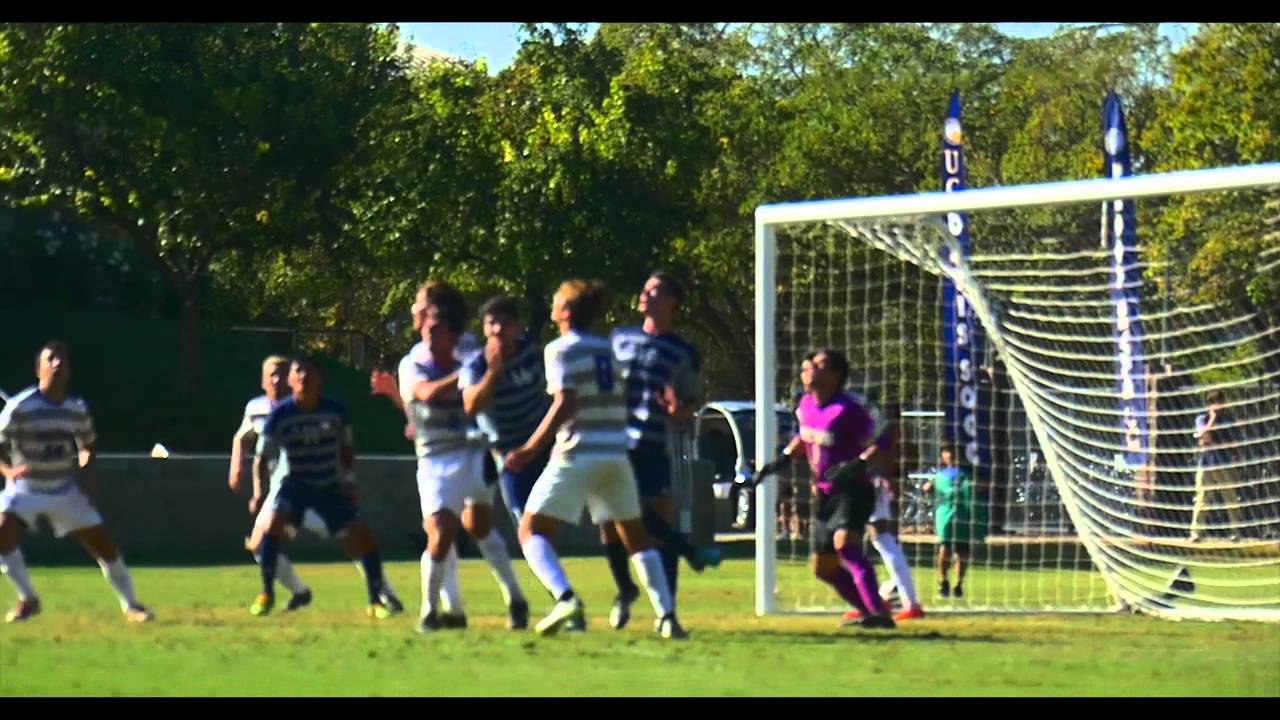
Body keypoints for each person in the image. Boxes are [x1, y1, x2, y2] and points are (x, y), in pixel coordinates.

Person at [506, 279, 685, 639]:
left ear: (566, 312)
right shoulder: (608, 349)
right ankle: (667, 617)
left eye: (556, 301)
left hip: (578, 451)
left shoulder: (559, 350)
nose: (551, 306)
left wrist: (531, 448)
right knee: (637, 539)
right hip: (616, 453)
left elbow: (566, 402)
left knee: (530, 530)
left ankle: (565, 597)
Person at [397, 281, 527, 633]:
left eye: (429, 314)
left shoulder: (470, 348)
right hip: (434, 456)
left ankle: (514, 598)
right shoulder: (413, 362)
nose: (422, 321)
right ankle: (431, 610)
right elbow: (423, 394)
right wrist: (468, 376)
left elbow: (496, 380)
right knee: (440, 531)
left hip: (473, 451)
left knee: (479, 526)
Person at [232, 355, 403, 613]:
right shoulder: (266, 411)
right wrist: (251, 483)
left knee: (354, 537)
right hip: (290, 487)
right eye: (274, 374)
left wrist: (349, 481)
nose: (282, 379)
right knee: (265, 537)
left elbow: (346, 449)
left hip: (326, 486)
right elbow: (252, 448)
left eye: (305, 371)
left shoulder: (333, 410)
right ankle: (278, 593)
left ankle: (381, 596)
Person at [0, 341, 154, 623]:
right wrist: (8, 472)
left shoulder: (76, 409)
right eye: (51, 358)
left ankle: (131, 605)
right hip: (26, 488)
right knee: (1, 531)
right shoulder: (18, 407)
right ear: (39, 370)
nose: (58, 363)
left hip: (64, 488)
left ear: (69, 370)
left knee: (103, 545)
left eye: (63, 359)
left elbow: (87, 445)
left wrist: (86, 470)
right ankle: (28, 599)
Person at [606, 271, 720, 630]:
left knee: (656, 526)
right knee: (611, 528)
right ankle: (625, 590)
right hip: (612, 445)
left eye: (654, 291)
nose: (645, 295)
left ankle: (666, 612)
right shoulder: (620, 338)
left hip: (653, 446)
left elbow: (689, 404)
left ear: (672, 302)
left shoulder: (684, 352)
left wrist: (678, 411)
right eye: (644, 289)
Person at [754, 349, 895, 629]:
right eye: (808, 365)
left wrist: (859, 463)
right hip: (825, 493)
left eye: (818, 365)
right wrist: (777, 462)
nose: (808, 369)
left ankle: (880, 612)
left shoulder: (849, 410)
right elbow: (804, 439)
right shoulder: (805, 405)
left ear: (835, 375)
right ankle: (869, 612)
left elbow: (884, 439)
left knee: (845, 545)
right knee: (823, 568)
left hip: (853, 490)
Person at [923, 445, 987, 598]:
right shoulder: (939, 476)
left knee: (963, 551)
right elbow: (927, 488)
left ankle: (958, 585)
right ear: (942, 456)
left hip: (964, 515)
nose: (950, 455)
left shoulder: (967, 474)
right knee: (945, 548)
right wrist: (929, 488)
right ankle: (943, 582)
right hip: (945, 516)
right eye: (946, 452)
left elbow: (980, 487)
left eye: (952, 451)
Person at [1190, 390, 1244, 542]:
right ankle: (1196, 532)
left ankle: (1235, 531)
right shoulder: (1202, 418)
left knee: (1230, 498)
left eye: (1219, 402)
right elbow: (1202, 436)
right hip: (1206, 463)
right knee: (1202, 498)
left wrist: (1215, 444)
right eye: (1214, 403)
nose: (1217, 406)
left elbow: (1233, 441)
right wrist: (1212, 419)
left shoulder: (1228, 420)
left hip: (1224, 462)